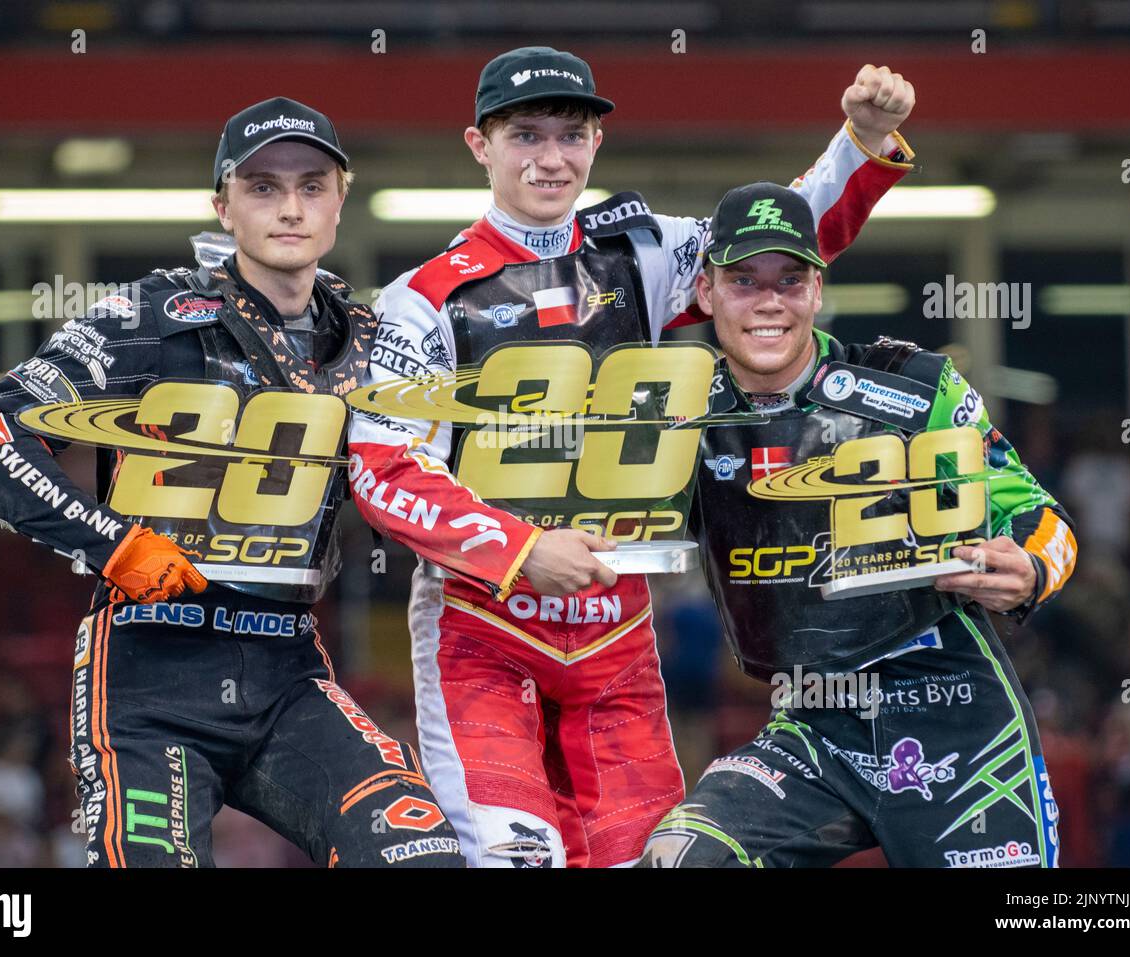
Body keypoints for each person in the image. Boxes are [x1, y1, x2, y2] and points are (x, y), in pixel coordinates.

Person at [348, 46, 918, 867]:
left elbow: (776, 247)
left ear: (596, 145)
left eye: (571, 135)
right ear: (480, 145)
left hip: (616, 632)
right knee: (521, 856)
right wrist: (521, 550)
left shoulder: (645, 252)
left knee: (648, 860)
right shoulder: (424, 298)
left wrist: (860, 140)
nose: (551, 157)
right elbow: (381, 467)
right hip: (480, 633)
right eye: (526, 135)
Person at [0, 97, 465, 868]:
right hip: (148, 676)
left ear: (339, 200)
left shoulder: (374, 342)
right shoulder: (151, 313)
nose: (290, 208)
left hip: (288, 668)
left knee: (425, 857)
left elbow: (436, 480)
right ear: (222, 205)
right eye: (262, 187)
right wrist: (113, 543)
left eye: (311, 186)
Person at [638, 183, 1077, 867]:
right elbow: (598, 538)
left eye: (789, 279)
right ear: (707, 290)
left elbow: (1037, 512)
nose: (769, 301)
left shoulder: (913, 388)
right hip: (810, 724)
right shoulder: (676, 415)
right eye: (743, 280)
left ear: (817, 288)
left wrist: (1030, 567)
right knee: (684, 857)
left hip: (954, 716)